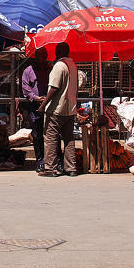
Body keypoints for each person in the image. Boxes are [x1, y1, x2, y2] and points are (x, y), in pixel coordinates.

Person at [39, 41, 79, 177]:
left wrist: (43, 106)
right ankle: (71, 168)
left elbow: (54, 88)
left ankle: (50, 168)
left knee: (51, 138)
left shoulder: (59, 66)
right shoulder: (73, 65)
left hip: (57, 109)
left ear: (58, 52)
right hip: (70, 109)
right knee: (69, 139)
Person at [19, 51, 49, 170]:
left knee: (51, 135)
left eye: (43, 56)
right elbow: (26, 88)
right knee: (37, 135)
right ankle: (40, 161)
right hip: (34, 107)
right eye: (39, 55)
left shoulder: (50, 69)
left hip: (49, 106)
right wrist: (36, 98)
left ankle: (53, 161)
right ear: (35, 57)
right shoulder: (28, 71)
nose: (41, 58)